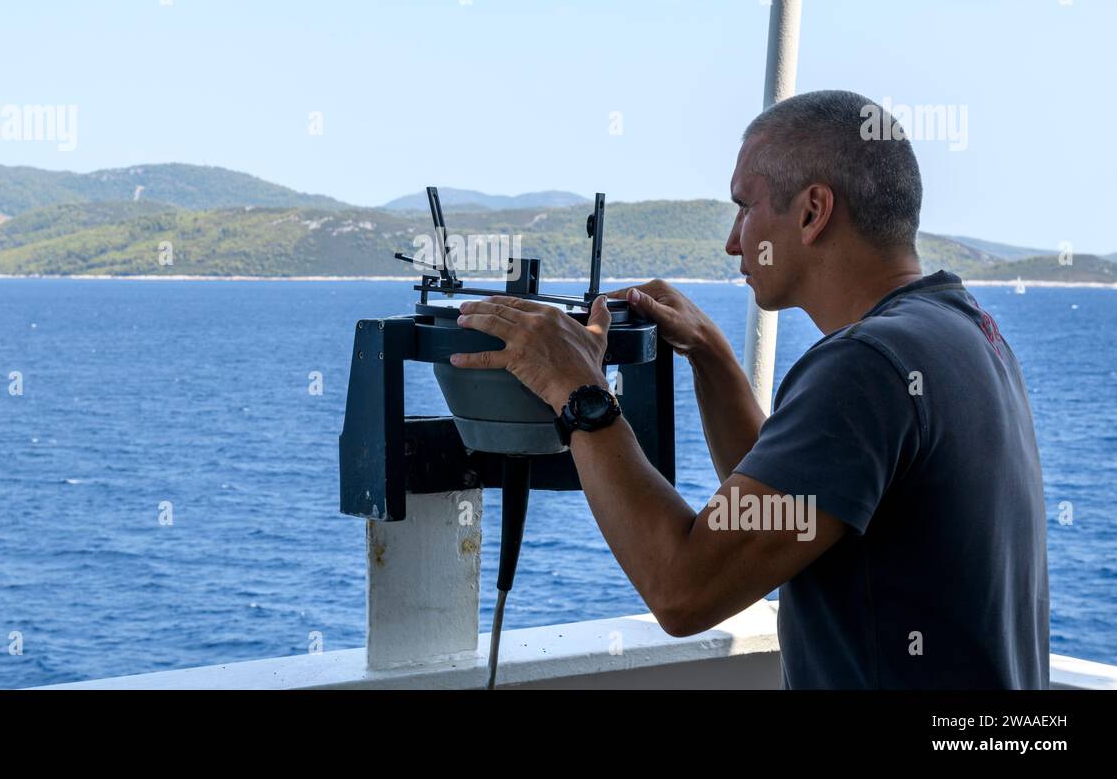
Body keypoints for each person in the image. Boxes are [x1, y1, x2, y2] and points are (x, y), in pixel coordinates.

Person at [450, 89, 1050, 689]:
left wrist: (579, 394)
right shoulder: (962, 330)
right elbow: (784, 514)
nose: (734, 241)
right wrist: (710, 358)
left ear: (813, 211)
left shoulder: (864, 367)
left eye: (745, 207)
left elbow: (684, 591)